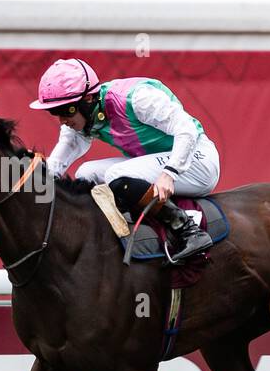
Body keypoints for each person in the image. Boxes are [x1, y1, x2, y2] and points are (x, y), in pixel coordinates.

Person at [30, 58, 214, 262]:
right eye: (55, 112)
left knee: (116, 175)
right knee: (85, 174)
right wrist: (34, 173)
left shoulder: (138, 98)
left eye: (66, 111)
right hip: (161, 163)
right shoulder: (87, 113)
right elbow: (57, 162)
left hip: (197, 161)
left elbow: (186, 129)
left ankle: (188, 229)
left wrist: (169, 173)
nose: (62, 120)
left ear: (88, 99)